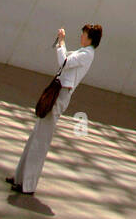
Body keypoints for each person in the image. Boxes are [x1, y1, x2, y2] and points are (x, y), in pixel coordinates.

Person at [8, 23, 102, 196]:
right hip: (57, 92)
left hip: (60, 95)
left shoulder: (87, 54)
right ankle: (19, 177)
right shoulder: (83, 52)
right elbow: (66, 59)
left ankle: (28, 185)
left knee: (41, 140)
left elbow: (64, 61)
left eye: (84, 34)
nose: (81, 36)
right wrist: (62, 44)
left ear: (91, 38)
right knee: (35, 136)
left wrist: (61, 41)